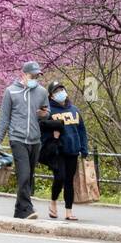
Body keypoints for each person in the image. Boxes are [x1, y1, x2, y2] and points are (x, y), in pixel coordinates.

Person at [0, 61, 50, 220]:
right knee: (24, 175)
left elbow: (47, 112)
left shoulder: (42, 92)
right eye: (32, 75)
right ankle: (28, 208)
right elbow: (4, 118)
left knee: (30, 176)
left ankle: (19, 210)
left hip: (35, 140)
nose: (35, 78)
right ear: (24, 75)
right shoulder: (10, 92)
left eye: (37, 76)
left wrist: (44, 114)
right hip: (17, 139)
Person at [40, 81, 90, 220]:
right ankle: (53, 202)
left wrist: (84, 149)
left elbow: (82, 131)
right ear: (51, 96)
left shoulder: (74, 110)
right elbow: (42, 128)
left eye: (61, 89)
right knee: (60, 177)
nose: (60, 92)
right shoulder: (49, 111)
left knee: (69, 181)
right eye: (56, 91)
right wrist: (53, 136)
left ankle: (69, 211)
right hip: (57, 151)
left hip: (73, 150)